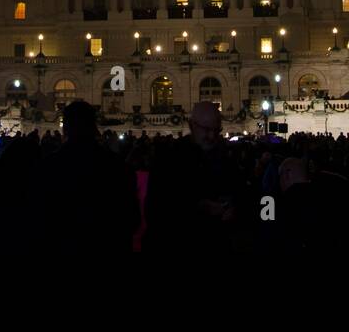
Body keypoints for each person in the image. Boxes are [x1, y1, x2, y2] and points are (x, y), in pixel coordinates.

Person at [38, 101, 139, 253]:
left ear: (65, 128)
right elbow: (132, 219)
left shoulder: (47, 167)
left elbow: (39, 219)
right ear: (94, 127)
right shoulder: (117, 166)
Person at [145, 101, 246, 253]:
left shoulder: (227, 158)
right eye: (206, 130)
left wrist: (235, 208)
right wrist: (200, 207)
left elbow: (241, 193)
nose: (211, 136)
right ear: (192, 126)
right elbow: (157, 211)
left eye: (216, 130)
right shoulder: (170, 161)